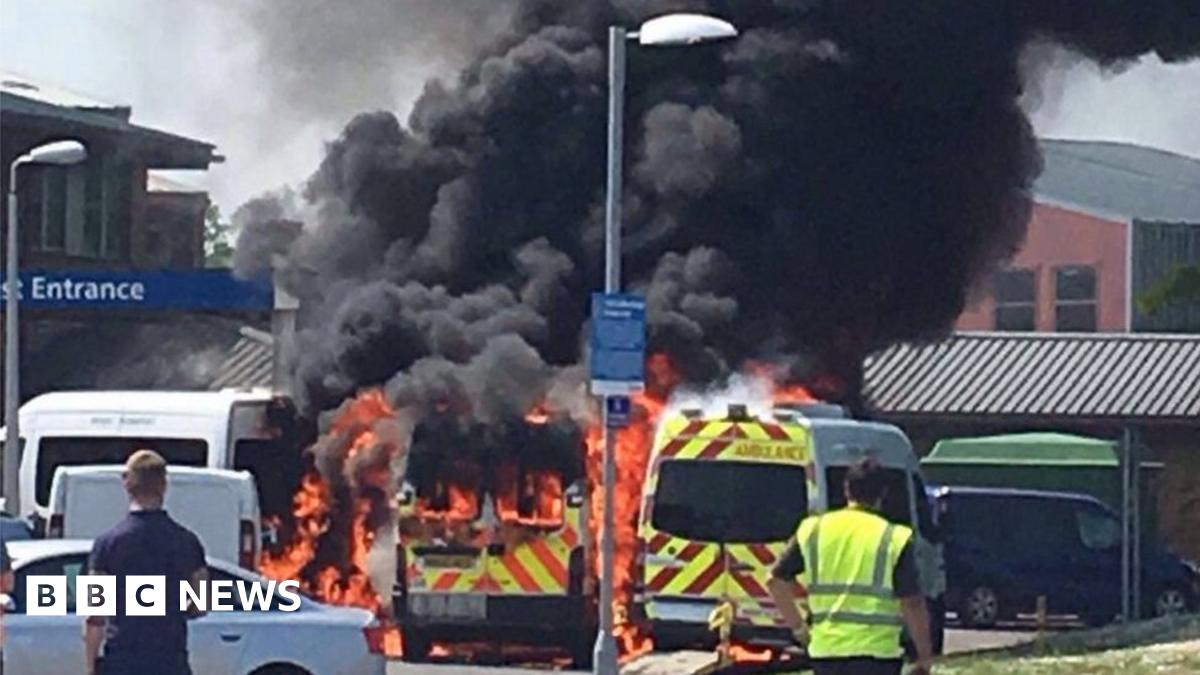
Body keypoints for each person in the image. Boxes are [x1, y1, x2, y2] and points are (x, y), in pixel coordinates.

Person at [768, 458, 934, 675]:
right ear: (882, 495)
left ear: (847, 490)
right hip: (877, 658)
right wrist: (924, 656)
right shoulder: (894, 538)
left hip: (826, 654)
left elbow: (775, 581)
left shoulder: (814, 530)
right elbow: (912, 603)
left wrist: (800, 629)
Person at [84, 450, 208, 675]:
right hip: (171, 662)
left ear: (126, 485)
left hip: (122, 661)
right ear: (164, 486)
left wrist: (91, 666)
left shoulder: (107, 544)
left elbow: (96, 615)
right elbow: (199, 605)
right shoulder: (187, 542)